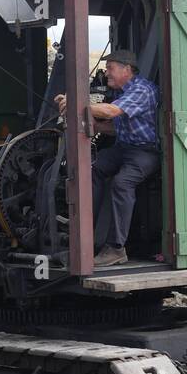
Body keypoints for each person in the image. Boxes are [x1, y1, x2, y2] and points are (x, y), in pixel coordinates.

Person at [55, 48, 159, 267]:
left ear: (127, 69)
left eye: (110, 67)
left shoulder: (142, 90)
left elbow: (111, 112)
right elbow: (114, 128)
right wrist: (90, 123)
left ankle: (116, 248)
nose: (106, 72)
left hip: (145, 152)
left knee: (122, 183)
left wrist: (76, 105)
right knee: (91, 170)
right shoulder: (123, 92)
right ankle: (84, 232)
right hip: (124, 148)